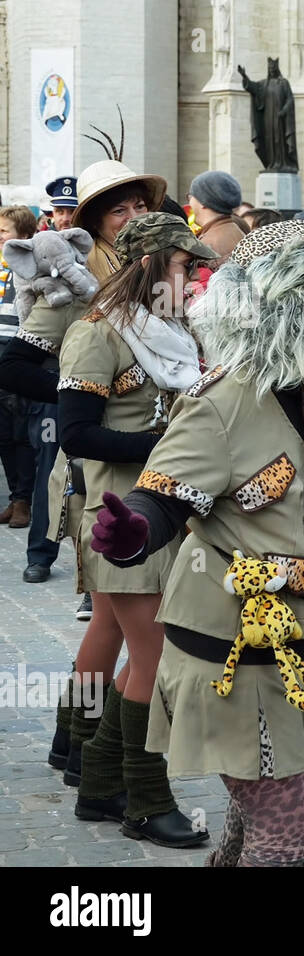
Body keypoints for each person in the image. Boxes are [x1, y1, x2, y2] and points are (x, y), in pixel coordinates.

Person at [85, 222, 304, 865]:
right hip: (235, 646)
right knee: (285, 832)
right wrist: (133, 531)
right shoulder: (223, 400)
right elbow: (162, 497)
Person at [58, 213, 215, 848]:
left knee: (147, 659)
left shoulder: (175, 332)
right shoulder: (96, 334)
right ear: (150, 267)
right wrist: (158, 444)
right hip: (118, 516)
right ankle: (146, 801)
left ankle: (97, 778)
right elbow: (76, 434)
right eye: (185, 267)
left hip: (165, 512)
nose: (194, 278)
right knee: (158, 662)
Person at [0, 225, 101, 768]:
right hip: (93, 447)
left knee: (119, 624)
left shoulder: (124, 285)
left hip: (135, 454)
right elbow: (13, 364)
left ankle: (80, 747)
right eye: (122, 208)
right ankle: (101, 760)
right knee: (48, 483)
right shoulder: (67, 292)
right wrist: (75, 394)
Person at [0, 205, 39, 532]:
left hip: (19, 352)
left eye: (4, 232)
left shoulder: (30, 267)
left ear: (24, 236)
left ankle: (24, 499)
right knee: (2, 434)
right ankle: (14, 496)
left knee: (20, 431)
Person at [71, 161, 166, 283]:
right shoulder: (81, 266)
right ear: (94, 221)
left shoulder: (165, 252)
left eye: (139, 207)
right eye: (119, 211)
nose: (134, 218)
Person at [186, 171, 250, 261]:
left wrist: (178, 275)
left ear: (203, 202)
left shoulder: (206, 247)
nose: (189, 202)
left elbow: (180, 275)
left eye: (190, 197)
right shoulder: (238, 232)